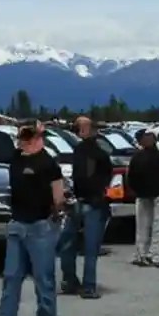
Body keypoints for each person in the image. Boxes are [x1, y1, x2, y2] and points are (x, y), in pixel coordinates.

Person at [0, 123, 64, 316]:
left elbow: (58, 195)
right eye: (22, 136)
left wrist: (55, 214)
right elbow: (7, 149)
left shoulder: (48, 163)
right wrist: (22, 129)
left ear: (39, 138)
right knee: (11, 276)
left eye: (28, 136)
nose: (24, 140)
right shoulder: (16, 158)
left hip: (40, 226)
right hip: (17, 225)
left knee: (43, 278)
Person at [58, 116, 112, 299]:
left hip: (85, 202)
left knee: (74, 244)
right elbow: (103, 172)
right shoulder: (92, 150)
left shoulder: (84, 150)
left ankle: (78, 283)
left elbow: (87, 175)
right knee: (86, 247)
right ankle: (81, 284)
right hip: (88, 202)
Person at [127, 130, 159, 268]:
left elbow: (130, 177)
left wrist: (135, 190)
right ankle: (153, 254)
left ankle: (142, 254)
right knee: (156, 225)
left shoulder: (137, 158)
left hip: (144, 195)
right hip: (156, 194)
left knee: (143, 225)